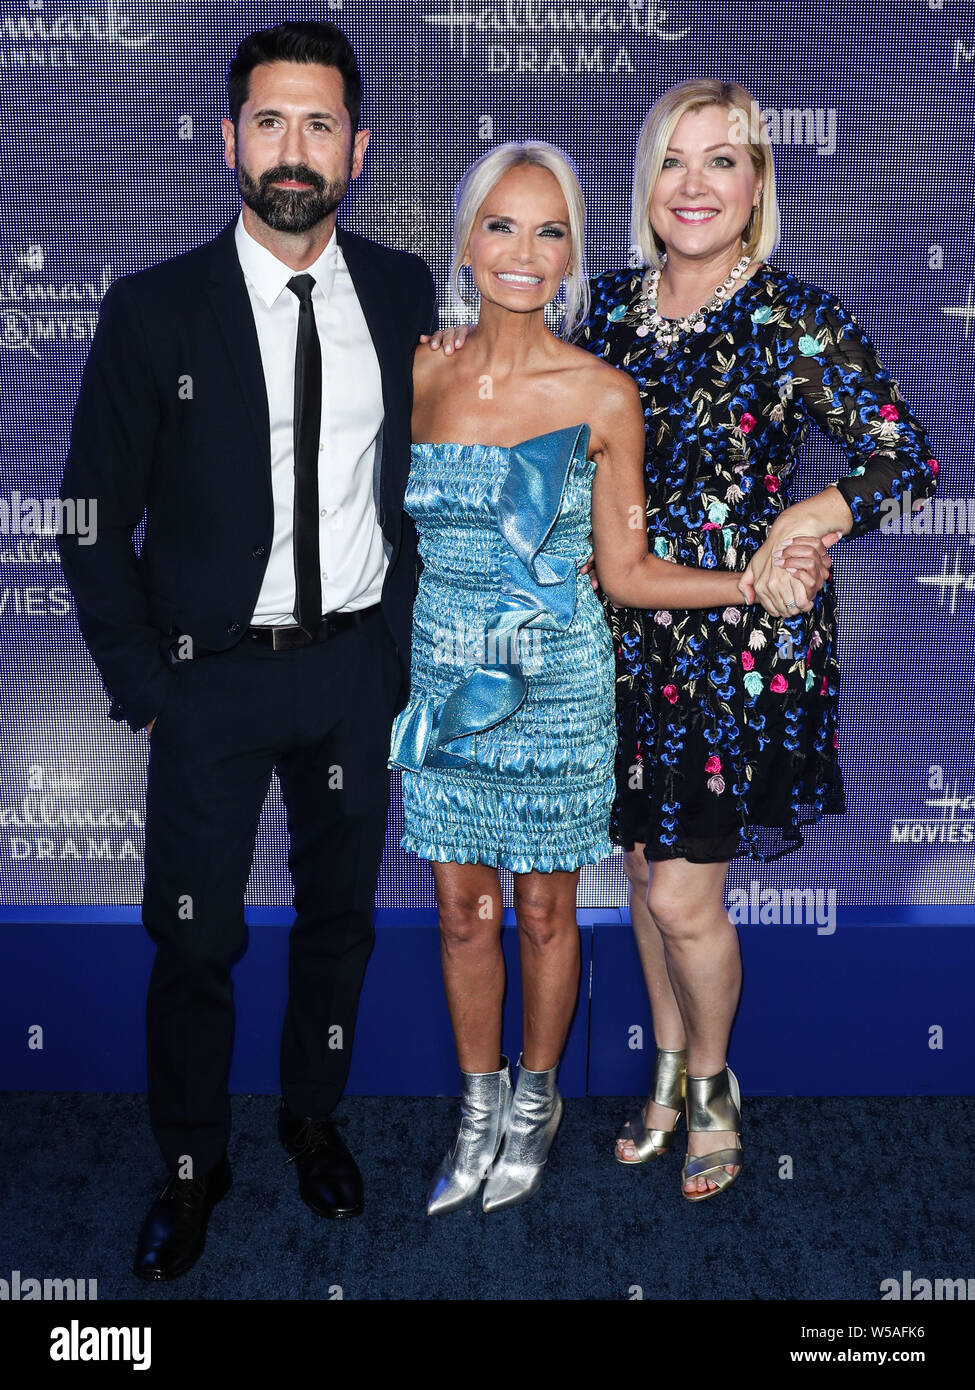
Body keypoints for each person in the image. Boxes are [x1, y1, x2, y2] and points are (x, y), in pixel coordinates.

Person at [57, 20, 445, 1280]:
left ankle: (311, 1117)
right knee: (196, 939)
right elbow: (88, 518)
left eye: (319, 123)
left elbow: (421, 491)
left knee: (339, 920)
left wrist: (390, 659)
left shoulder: (400, 292)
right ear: (229, 140)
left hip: (349, 674)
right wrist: (147, 690)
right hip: (205, 682)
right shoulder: (153, 308)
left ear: (359, 146)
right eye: (270, 121)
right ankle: (190, 1161)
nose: (294, 148)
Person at [391, 142, 832, 1215]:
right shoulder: (423, 367)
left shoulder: (602, 394)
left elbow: (625, 571)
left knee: (545, 914)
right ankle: (479, 1105)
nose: (524, 252)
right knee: (460, 912)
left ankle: (535, 1109)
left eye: (550, 232)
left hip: (558, 686)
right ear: (464, 238)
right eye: (502, 225)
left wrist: (747, 580)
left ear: (576, 253)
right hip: (448, 677)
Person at [571, 81, 938, 1200]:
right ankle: (670, 1067)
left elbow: (904, 456)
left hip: (739, 649)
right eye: (674, 162)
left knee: (686, 897)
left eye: (721, 162)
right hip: (627, 637)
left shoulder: (794, 317)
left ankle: (717, 1083)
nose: (694, 185)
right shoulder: (607, 309)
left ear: (758, 183)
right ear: (647, 182)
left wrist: (805, 520)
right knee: (641, 869)